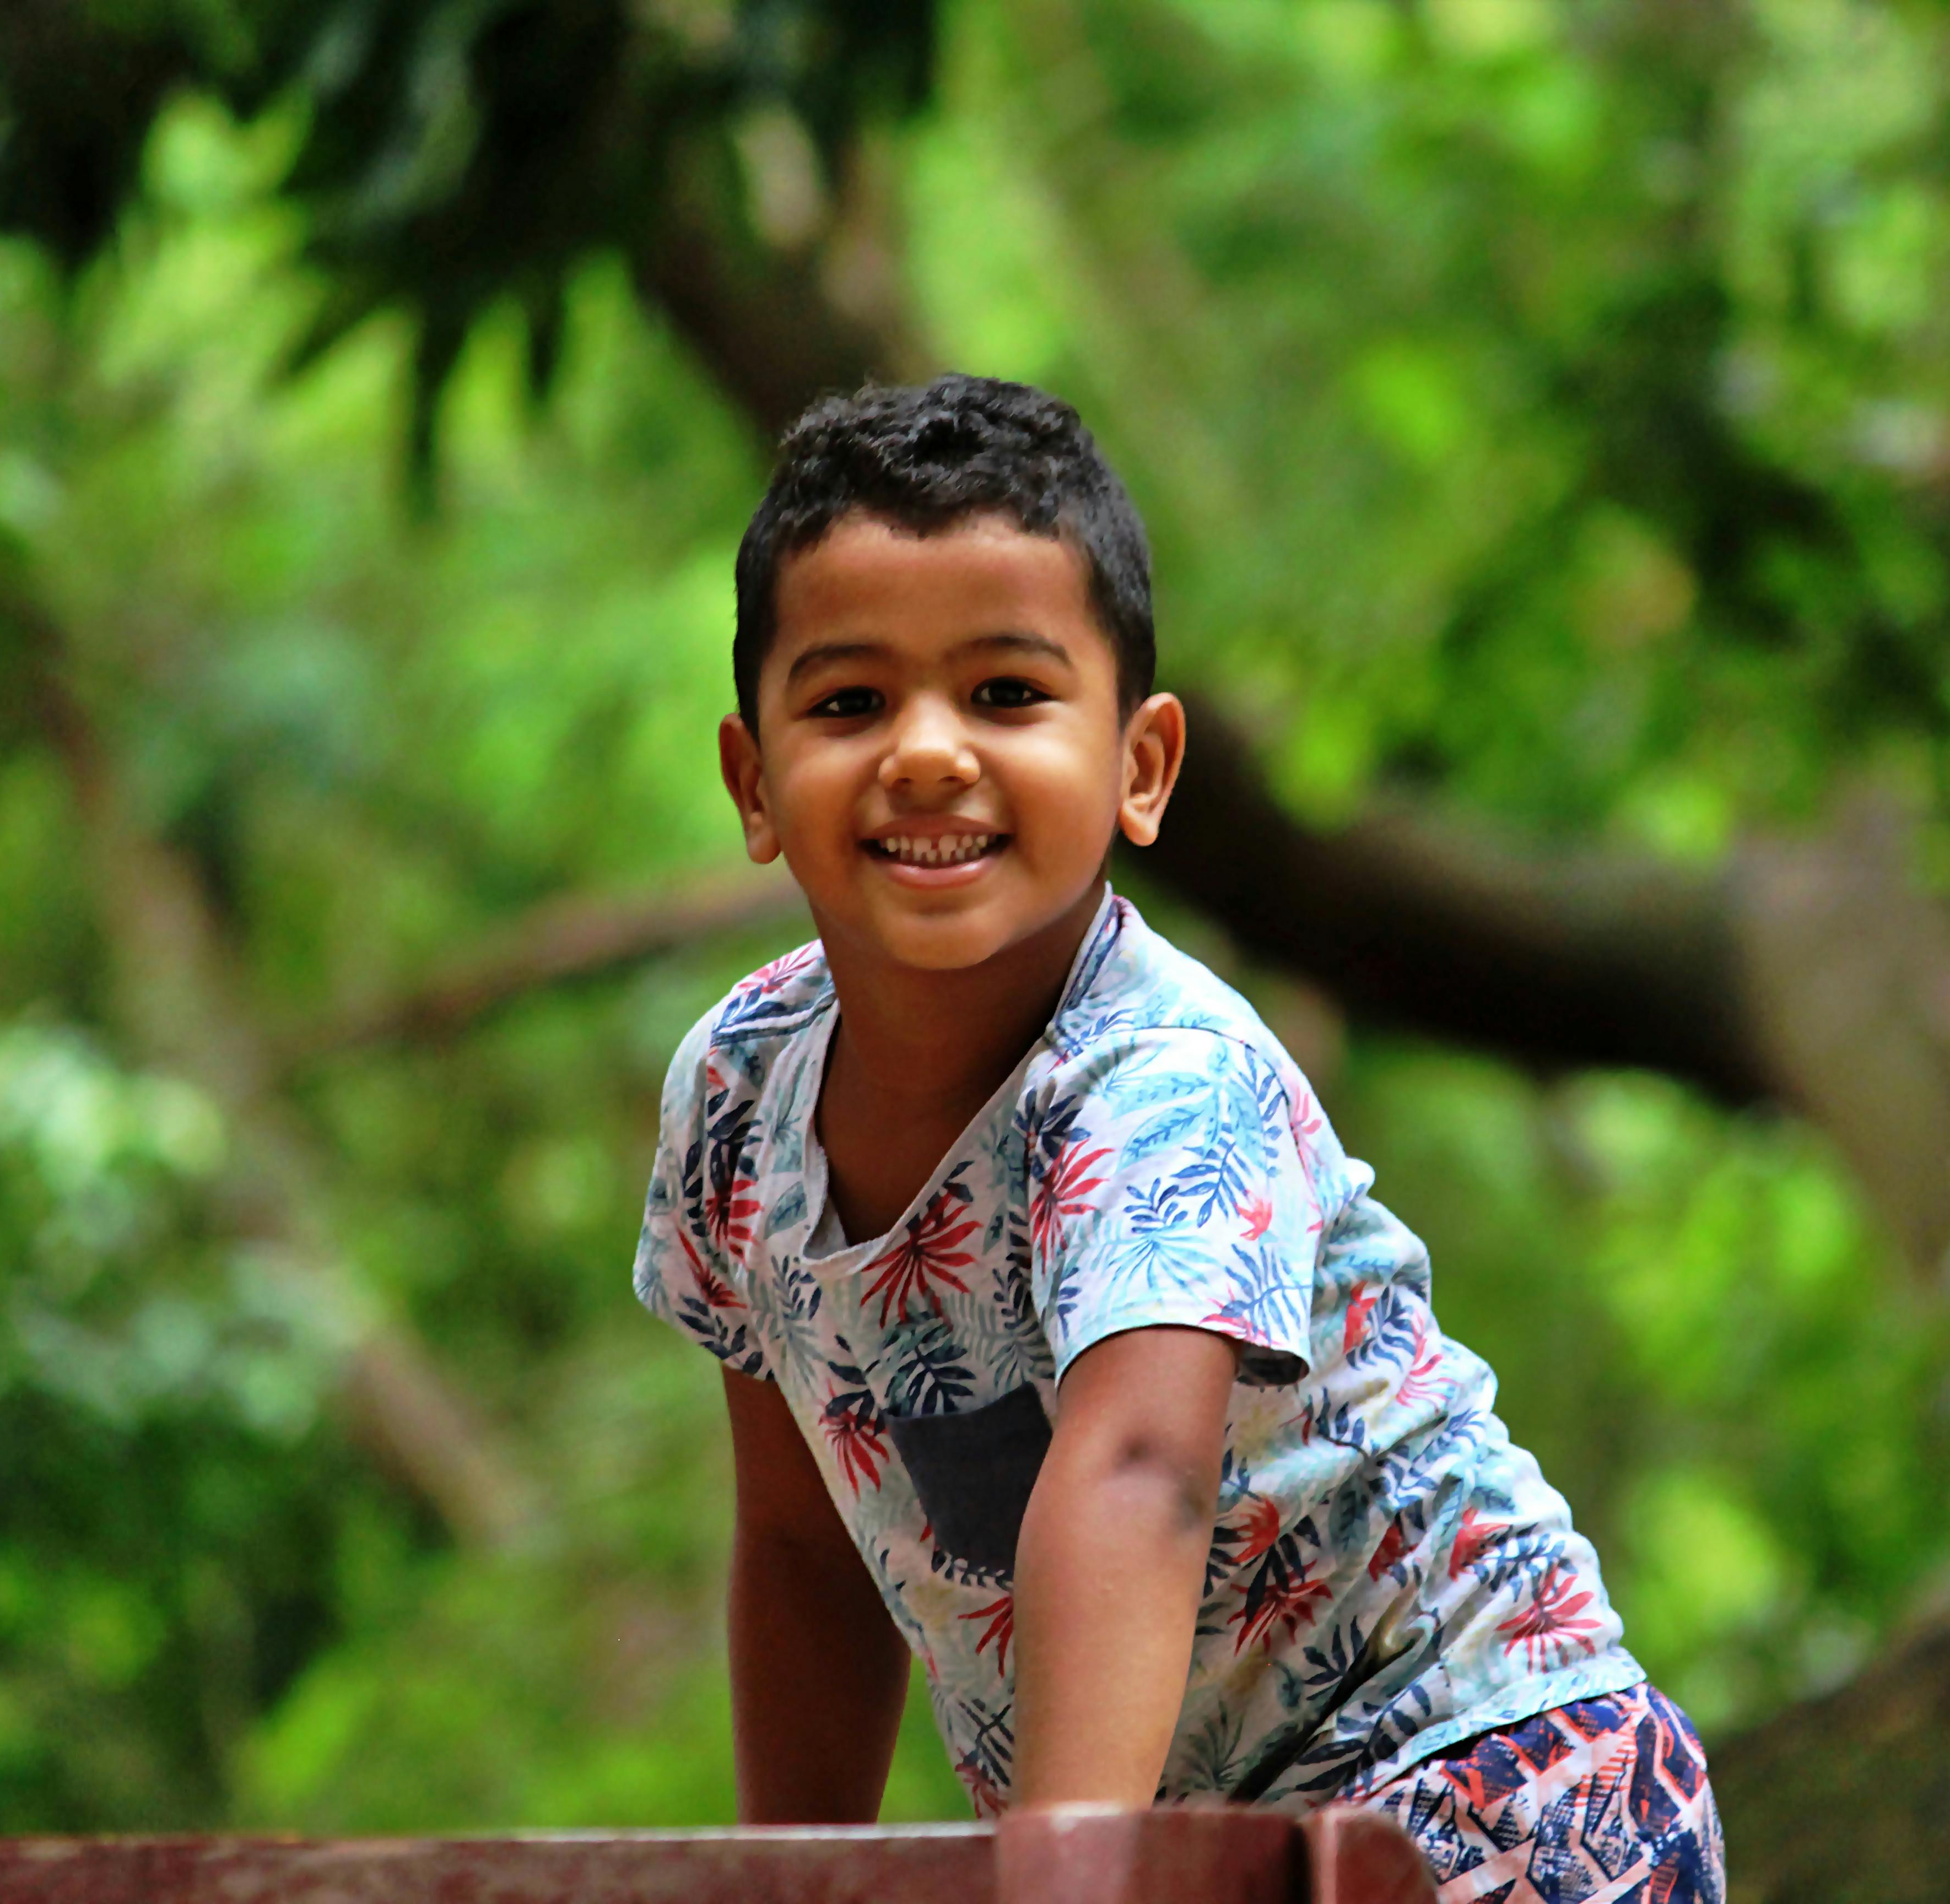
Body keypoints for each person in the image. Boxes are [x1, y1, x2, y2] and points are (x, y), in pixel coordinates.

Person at [633, 374, 1725, 1903]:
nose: (929, 752)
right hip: (1193, 1844)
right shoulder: (740, 1097)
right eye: (848, 702)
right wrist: (785, 1891)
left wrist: (1067, 1888)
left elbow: (1141, 1474)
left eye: (1007, 695)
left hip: (1488, 1788)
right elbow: (805, 1548)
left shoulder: (1164, 1078)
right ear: (756, 780)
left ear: (1141, 767)